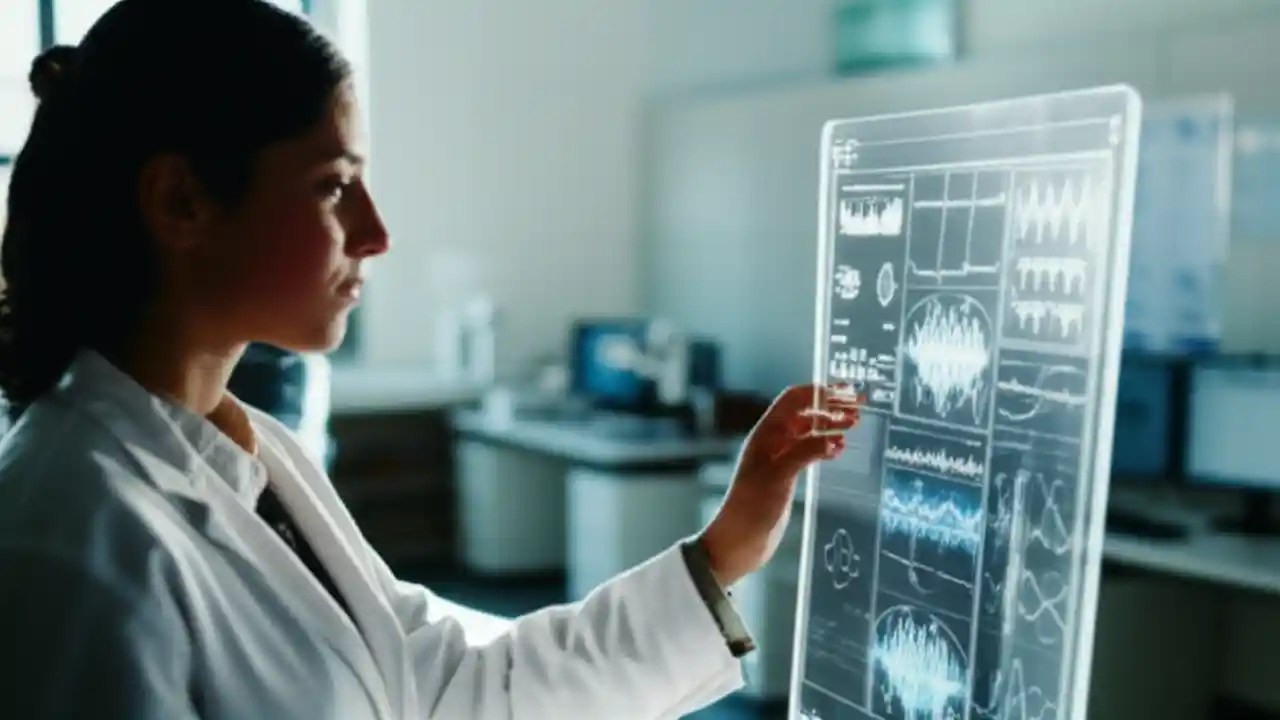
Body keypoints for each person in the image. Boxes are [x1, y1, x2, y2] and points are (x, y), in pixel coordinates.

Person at [0, 1, 861, 718]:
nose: (377, 233)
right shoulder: (73, 543)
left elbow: (441, 685)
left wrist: (726, 548)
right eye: (334, 186)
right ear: (182, 201)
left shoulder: (248, 456)